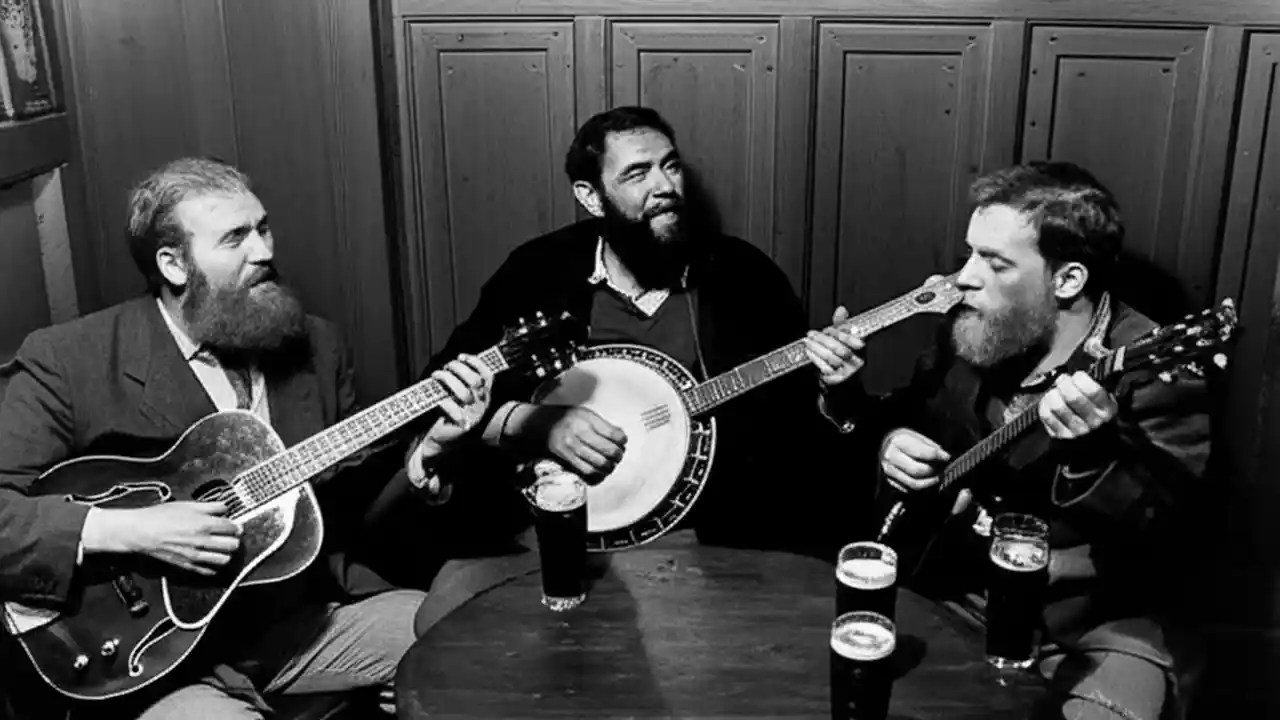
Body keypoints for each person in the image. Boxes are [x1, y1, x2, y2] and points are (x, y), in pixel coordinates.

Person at [0, 157, 494, 719]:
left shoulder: (316, 346)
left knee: (474, 643)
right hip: (154, 661)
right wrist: (132, 530)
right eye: (235, 238)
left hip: (295, 627)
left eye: (262, 228)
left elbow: (352, 516)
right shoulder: (69, 360)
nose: (263, 252)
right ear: (174, 264)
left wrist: (427, 455)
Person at [415, 105, 867, 554]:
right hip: (553, 533)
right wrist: (535, 425)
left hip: (715, 541)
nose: (665, 186)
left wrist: (835, 391)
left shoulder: (744, 275)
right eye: (637, 174)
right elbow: (443, 393)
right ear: (591, 197)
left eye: (670, 166)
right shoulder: (537, 271)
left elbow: (801, 431)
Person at [870, 161, 1212, 719]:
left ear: (1067, 279)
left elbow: (1171, 530)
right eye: (970, 253)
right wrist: (892, 445)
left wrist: (1094, 454)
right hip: (964, 595)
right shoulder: (975, 330)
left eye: (995, 262)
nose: (964, 278)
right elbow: (918, 416)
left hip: (1093, 626)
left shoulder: (1155, 369)